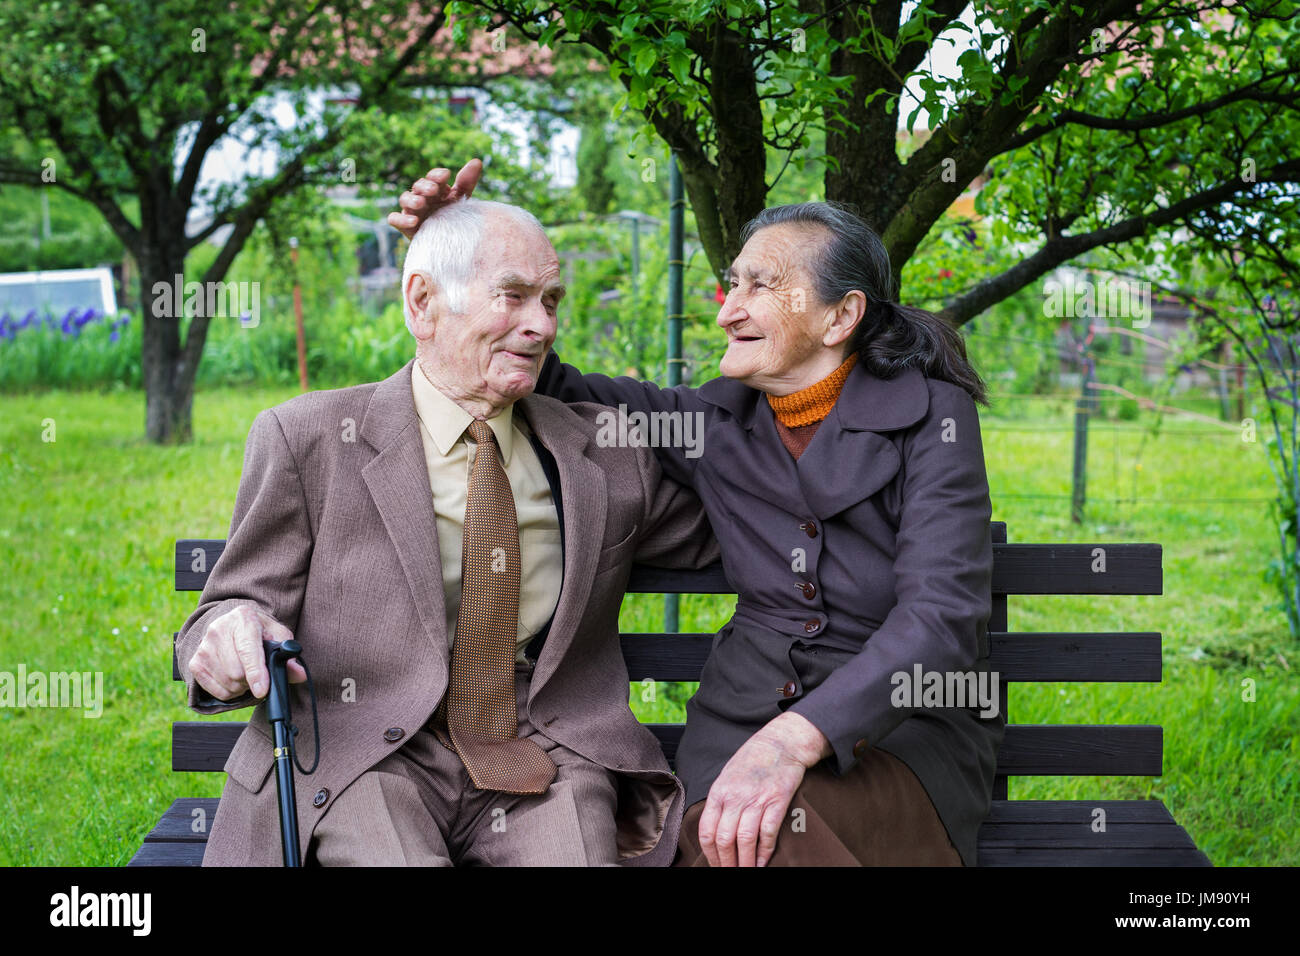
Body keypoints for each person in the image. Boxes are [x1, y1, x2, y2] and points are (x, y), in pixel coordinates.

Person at [391, 162, 1003, 867]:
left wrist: (795, 741)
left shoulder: (931, 418)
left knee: (776, 837)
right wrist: (455, 260)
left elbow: (943, 620)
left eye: (760, 286)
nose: (727, 309)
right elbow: (545, 384)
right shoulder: (713, 421)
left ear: (841, 316)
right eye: (732, 282)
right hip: (736, 740)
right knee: (743, 838)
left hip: (901, 742)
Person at [177, 186, 718, 866]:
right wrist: (229, 634)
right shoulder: (310, 438)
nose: (542, 326)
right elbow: (230, 604)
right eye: (513, 295)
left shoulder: (602, 452)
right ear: (422, 303)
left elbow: (741, 522)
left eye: (550, 301)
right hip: (365, 750)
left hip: (542, 749)